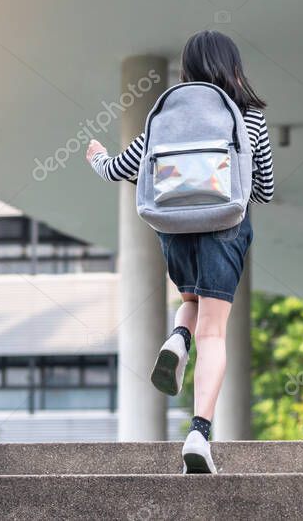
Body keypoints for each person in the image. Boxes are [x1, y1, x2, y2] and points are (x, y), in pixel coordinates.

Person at [85, 30, 274, 474]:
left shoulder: (166, 114)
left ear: (186, 69)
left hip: (174, 230)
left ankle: (177, 339)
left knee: (190, 302)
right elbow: (263, 189)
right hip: (225, 226)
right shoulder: (247, 115)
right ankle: (199, 434)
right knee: (214, 333)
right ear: (233, 67)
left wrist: (95, 156)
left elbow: (121, 169)